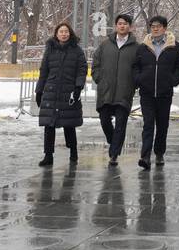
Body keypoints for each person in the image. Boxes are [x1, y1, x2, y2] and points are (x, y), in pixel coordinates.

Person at [132, 15, 179, 170]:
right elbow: (136, 66)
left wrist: (172, 81)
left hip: (164, 93)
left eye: (158, 26)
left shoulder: (175, 47)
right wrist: (139, 79)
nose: (155, 29)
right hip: (147, 93)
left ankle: (159, 152)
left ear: (164, 28)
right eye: (152, 26)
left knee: (162, 125)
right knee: (148, 125)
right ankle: (145, 156)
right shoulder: (143, 47)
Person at [35, 22, 87, 166]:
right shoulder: (50, 50)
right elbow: (43, 71)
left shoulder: (76, 50)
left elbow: (82, 70)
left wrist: (78, 88)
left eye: (66, 31)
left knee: (69, 124)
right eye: (61, 31)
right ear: (56, 34)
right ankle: (48, 155)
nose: (63, 34)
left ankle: (73, 152)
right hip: (51, 92)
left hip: (68, 92)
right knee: (49, 125)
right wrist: (39, 90)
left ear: (70, 34)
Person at [91, 13, 139, 165]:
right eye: (119, 23)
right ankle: (114, 142)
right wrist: (99, 78)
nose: (122, 26)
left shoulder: (136, 48)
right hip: (106, 90)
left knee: (121, 124)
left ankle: (114, 154)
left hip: (125, 91)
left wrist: (134, 83)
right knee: (104, 120)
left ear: (130, 26)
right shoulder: (105, 45)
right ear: (116, 26)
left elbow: (140, 68)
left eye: (125, 23)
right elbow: (96, 63)